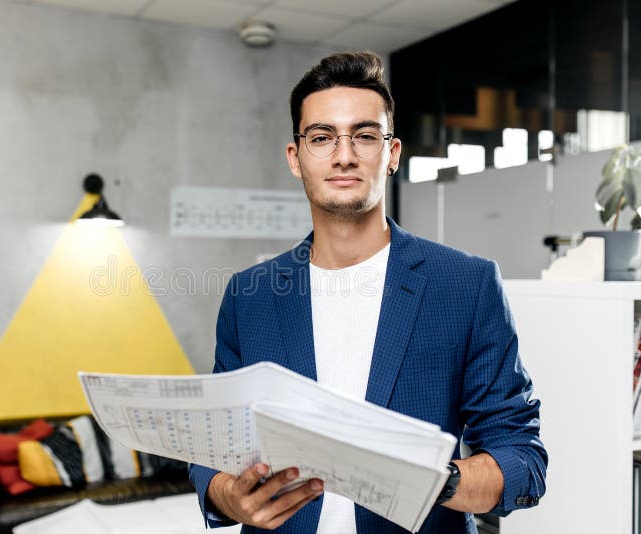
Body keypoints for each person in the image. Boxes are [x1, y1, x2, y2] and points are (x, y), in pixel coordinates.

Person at [188, 51, 547, 534]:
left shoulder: (466, 284)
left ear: (392, 152)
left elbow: (521, 457)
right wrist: (228, 494)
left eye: (364, 135)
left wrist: (424, 479)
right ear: (296, 158)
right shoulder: (248, 296)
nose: (343, 155)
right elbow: (213, 446)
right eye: (322, 138)